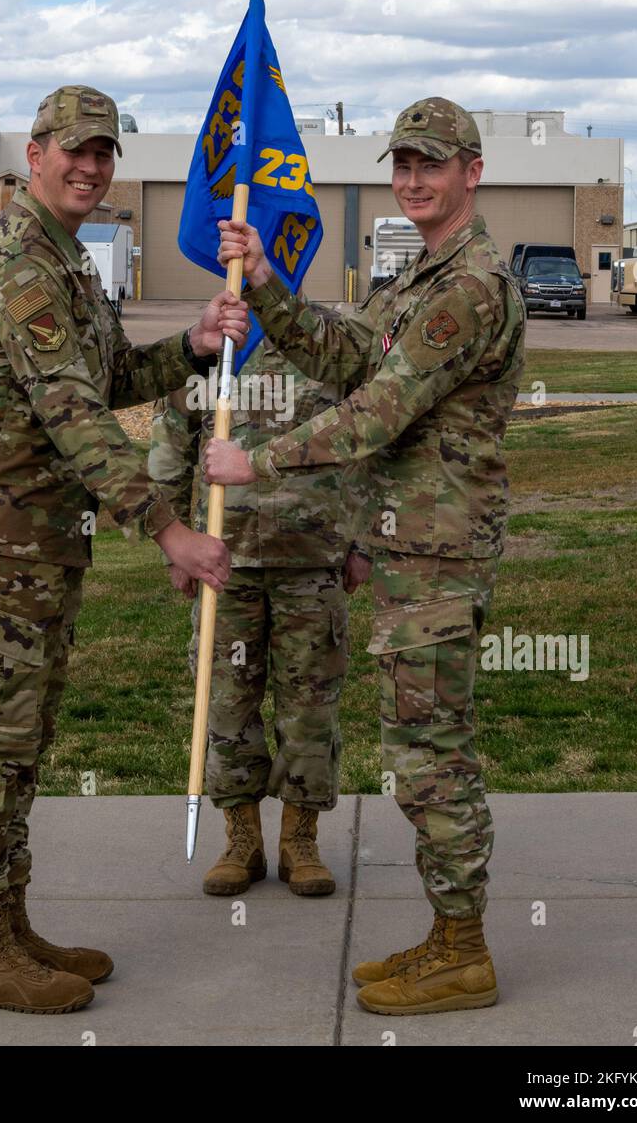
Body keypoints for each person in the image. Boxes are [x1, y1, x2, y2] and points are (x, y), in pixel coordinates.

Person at [0, 84, 248, 1014]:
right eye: (75, 150)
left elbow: (102, 380)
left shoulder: (66, 259)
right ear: (33, 153)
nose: (91, 168)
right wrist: (171, 530)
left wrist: (189, 342)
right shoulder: (18, 260)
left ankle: (8, 924)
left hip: (35, 545)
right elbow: (72, 417)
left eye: (104, 154)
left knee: (20, 741)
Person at [205, 97, 526, 1016]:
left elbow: (381, 408)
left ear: (472, 172)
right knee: (419, 745)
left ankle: (464, 951)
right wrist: (266, 285)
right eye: (403, 165)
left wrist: (253, 459)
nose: (414, 180)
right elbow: (348, 356)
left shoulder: (470, 286)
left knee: (432, 755)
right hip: (405, 550)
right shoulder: (417, 275)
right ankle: (446, 936)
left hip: (438, 553)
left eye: (432, 164)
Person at [149, 338, 372, 898]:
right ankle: (240, 838)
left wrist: (366, 541)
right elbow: (172, 449)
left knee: (310, 704)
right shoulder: (212, 349)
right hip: (226, 559)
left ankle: (301, 839)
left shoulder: (326, 348)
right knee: (226, 700)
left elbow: (372, 443)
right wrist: (175, 543)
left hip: (313, 557)